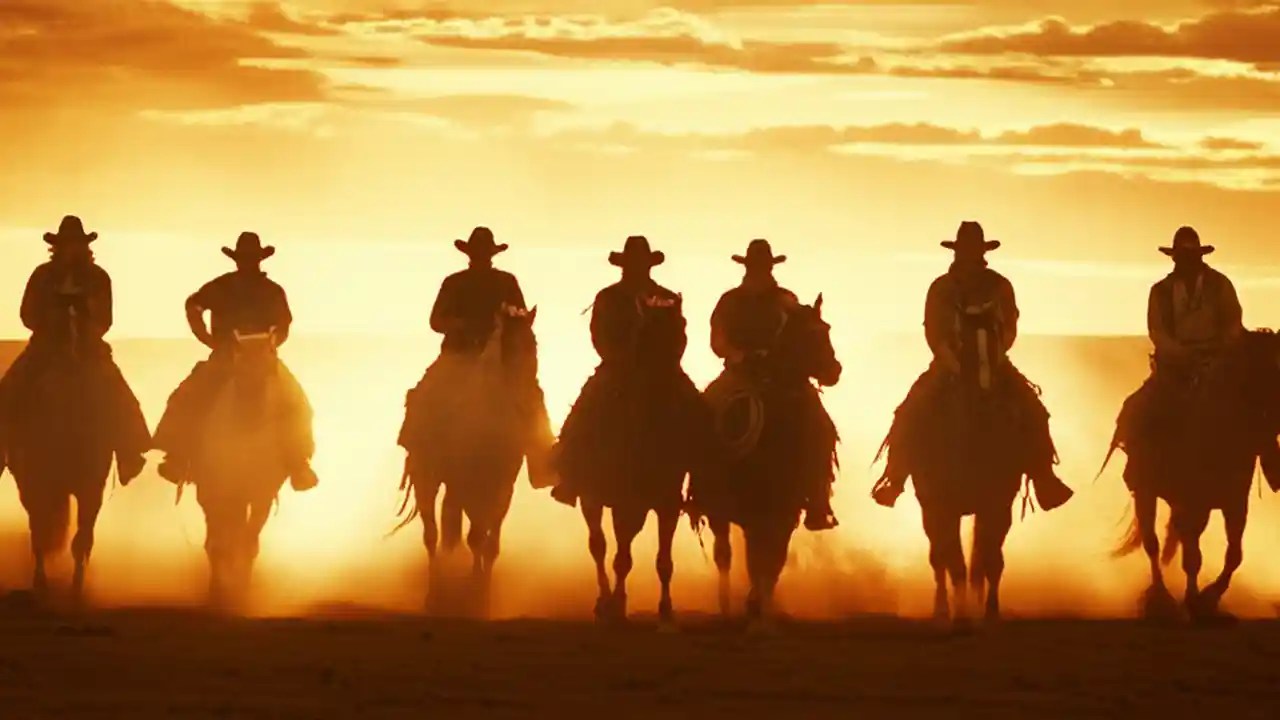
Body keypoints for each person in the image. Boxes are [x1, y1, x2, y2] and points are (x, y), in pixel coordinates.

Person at [872, 221, 1074, 510]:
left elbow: (1010, 326)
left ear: (981, 251)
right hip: (947, 364)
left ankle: (1045, 477)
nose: (970, 255)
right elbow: (934, 331)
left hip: (995, 362)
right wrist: (950, 360)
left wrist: (996, 353)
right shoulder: (941, 288)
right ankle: (896, 478)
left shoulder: (1000, 285)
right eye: (966, 250)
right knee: (909, 410)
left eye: (974, 250)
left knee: (1035, 411)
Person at [152, 232, 317, 490]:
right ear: (238, 260)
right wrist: (206, 337)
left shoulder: (268, 291)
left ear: (258, 260)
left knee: (297, 403)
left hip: (263, 360)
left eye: (251, 259)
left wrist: (270, 344)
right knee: (187, 395)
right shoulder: (225, 287)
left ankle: (298, 462)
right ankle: (179, 455)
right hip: (227, 358)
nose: (248, 263)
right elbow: (193, 305)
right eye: (244, 258)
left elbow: (284, 325)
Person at [551, 236, 706, 507]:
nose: (636, 269)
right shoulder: (609, 297)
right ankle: (571, 475)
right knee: (585, 409)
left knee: (701, 413)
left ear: (648, 265)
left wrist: (666, 360)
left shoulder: (667, 298)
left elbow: (679, 337)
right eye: (632, 264)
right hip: (617, 367)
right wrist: (619, 357)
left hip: (663, 369)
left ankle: (704, 485)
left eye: (640, 263)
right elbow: (598, 336)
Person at [0, 216, 151, 482]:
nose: (71, 249)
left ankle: (130, 452)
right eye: (66, 244)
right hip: (44, 349)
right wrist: (52, 319)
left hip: (89, 349)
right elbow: (27, 315)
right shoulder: (42, 275)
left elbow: (105, 320)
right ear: (57, 247)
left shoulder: (98, 278)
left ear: (83, 247)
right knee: (7, 391)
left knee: (119, 393)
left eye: (75, 244)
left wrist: (84, 316)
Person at [398, 227, 554, 485]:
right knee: (424, 397)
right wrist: (462, 325)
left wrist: (508, 325)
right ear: (472, 255)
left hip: (500, 359)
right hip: (457, 358)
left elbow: (521, 318)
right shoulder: (454, 283)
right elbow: (436, 321)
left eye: (484, 252)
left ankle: (541, 463)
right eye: (478, 252)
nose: (481, 257)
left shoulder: (506, 282)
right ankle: (418, 450)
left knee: (531, 398)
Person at [706, 239, 839, 531]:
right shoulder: (730, 301)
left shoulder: (786, 300)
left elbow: (801, 332)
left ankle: (818, 499)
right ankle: (704, 489)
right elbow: (718, 339)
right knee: (705, 414)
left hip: (780, 374)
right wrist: (737, 354)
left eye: (764, 267)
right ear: (747, 268)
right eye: (756, 267)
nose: (760, 272)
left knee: (821, 426)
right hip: (738, 374)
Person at [1115, 227, 1256, 484]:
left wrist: (1220, 348)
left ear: (1200, 257)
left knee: (1257, 403)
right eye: (1183, 256)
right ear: (1175, 258)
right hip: (1173, 367)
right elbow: (1157, 331)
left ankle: (1269, 457)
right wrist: (1182, 354)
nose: (1187, 262)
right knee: (1137, 408)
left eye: (1192, 256)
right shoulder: (1160, 291)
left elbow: (1234, 322)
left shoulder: (1220, 285)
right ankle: (1138, 467)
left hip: (1219, 362)